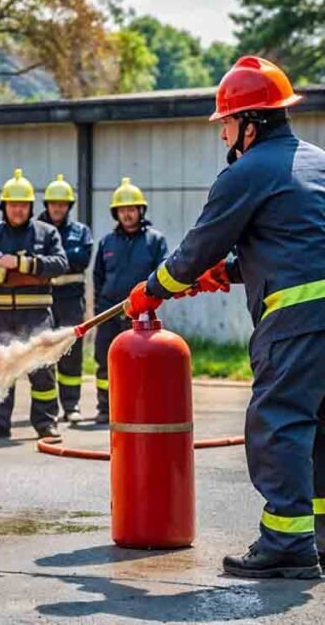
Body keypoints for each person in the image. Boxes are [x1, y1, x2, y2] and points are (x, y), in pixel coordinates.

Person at [127, 56, 325, 579]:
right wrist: (231, 273)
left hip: (297, 322)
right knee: (320, 427)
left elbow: (196, 249)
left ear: (251, 124)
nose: (224, 138)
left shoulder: (246, 173)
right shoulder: (316, 162)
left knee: (277, 424)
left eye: (227, 125)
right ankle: (318, 535)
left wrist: (151, 292)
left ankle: (286, 544)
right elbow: (297, 241)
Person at [0, 169, 68, 440]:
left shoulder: (47, 233)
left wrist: (21, 264)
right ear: (4, 207)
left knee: (42, 370)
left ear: (31, 207)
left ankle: (46, 423)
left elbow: (59, 265)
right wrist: (10, 274)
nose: (18, 210)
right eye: (13, 205)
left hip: (36, 314)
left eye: (23, 205)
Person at [91, 178, 167, 424]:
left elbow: (164, 276)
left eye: (131, 209)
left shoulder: (155, 241)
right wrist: (100, 306)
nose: (127, 214)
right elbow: (98, 277)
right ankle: (106, 408)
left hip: (142, 314)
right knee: (105, 361)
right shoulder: (107, 242)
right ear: (116, 213)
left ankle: (143, 408)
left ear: (140, 211)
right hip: (109, 312)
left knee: (144, 361)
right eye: (122, 210)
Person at [38, 174, 93, 425]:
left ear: (68, 206)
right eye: (53, 203)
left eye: (62, 204)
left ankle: (71, 406)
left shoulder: (81, 232)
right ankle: (47, 410)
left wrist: (51, 261)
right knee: (44, 353)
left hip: (71, 301)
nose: (57, 208)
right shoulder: (36, 231)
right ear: (47, 205)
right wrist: (57, 261)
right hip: (42, 301)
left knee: (71, 353)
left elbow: (82, 260)